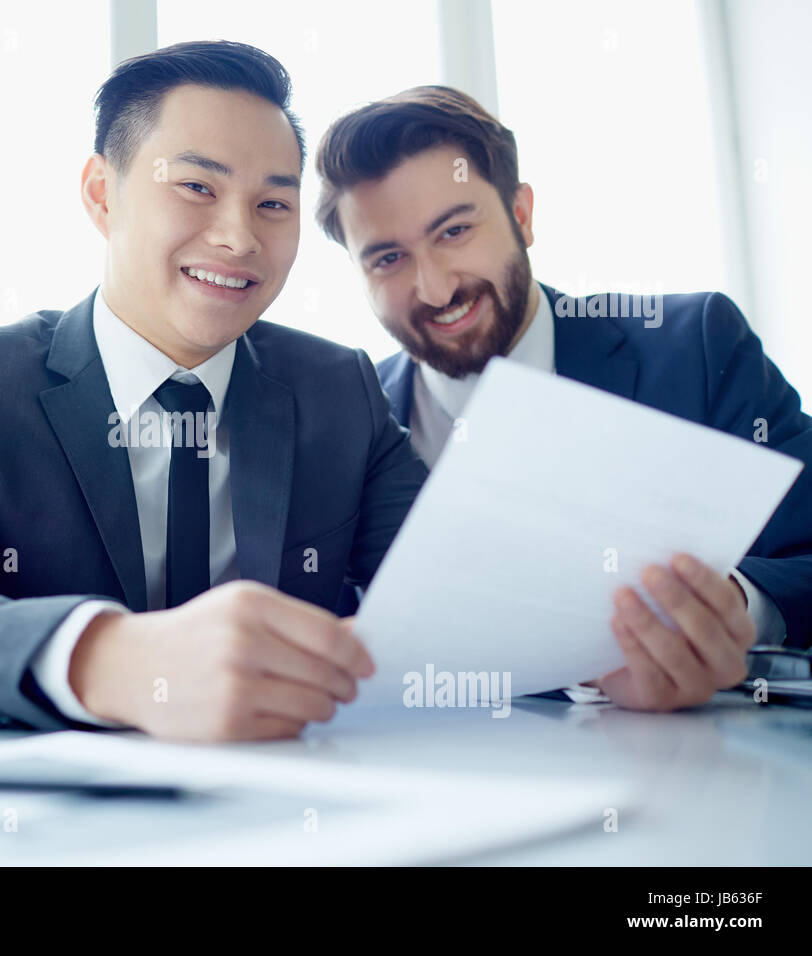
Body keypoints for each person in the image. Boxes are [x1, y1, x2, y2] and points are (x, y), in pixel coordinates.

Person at [0, 41, 427, 740]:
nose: (239, 238)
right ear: (101, 194)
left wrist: (582, 653)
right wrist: (112, 659)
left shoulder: (338, 389)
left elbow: (453, 592)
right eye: (197, 188)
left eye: (273, 202)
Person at [315, 85, 812, 710]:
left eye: (455, 231)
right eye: (388, 258)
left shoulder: (698, 349)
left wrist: (736, 611)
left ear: (521, 215)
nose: (436, 288)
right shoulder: (345, 424)